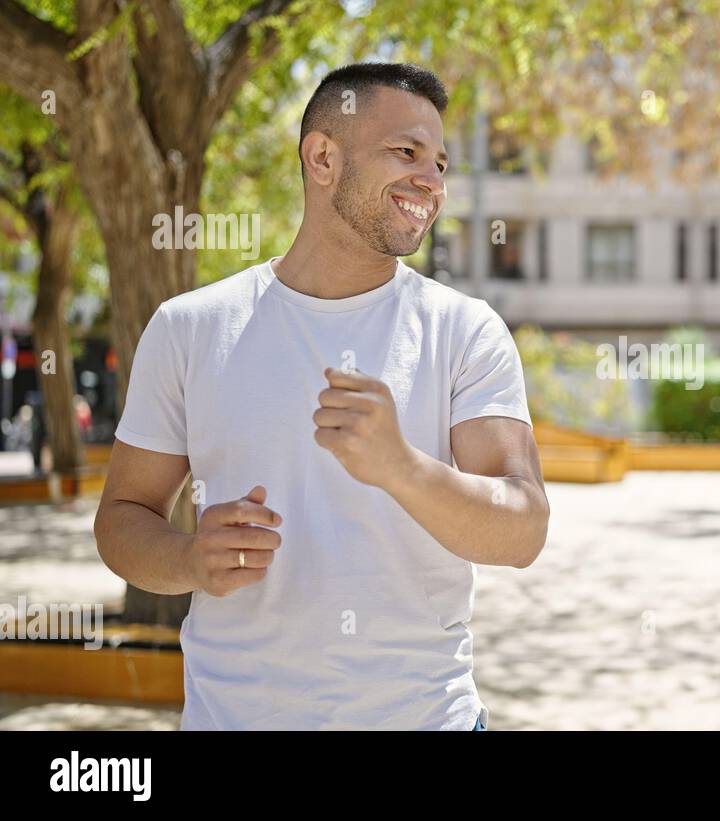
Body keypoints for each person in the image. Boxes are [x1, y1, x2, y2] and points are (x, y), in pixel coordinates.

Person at [95, 63, 549, 730]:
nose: (432, 179)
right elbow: (121, 519)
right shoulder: (190, 328)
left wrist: (404, 468)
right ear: (323, 157)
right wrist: (189, 558)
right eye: (407, 152)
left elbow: (524, 527)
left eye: (442, 163)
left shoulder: (464, 331)